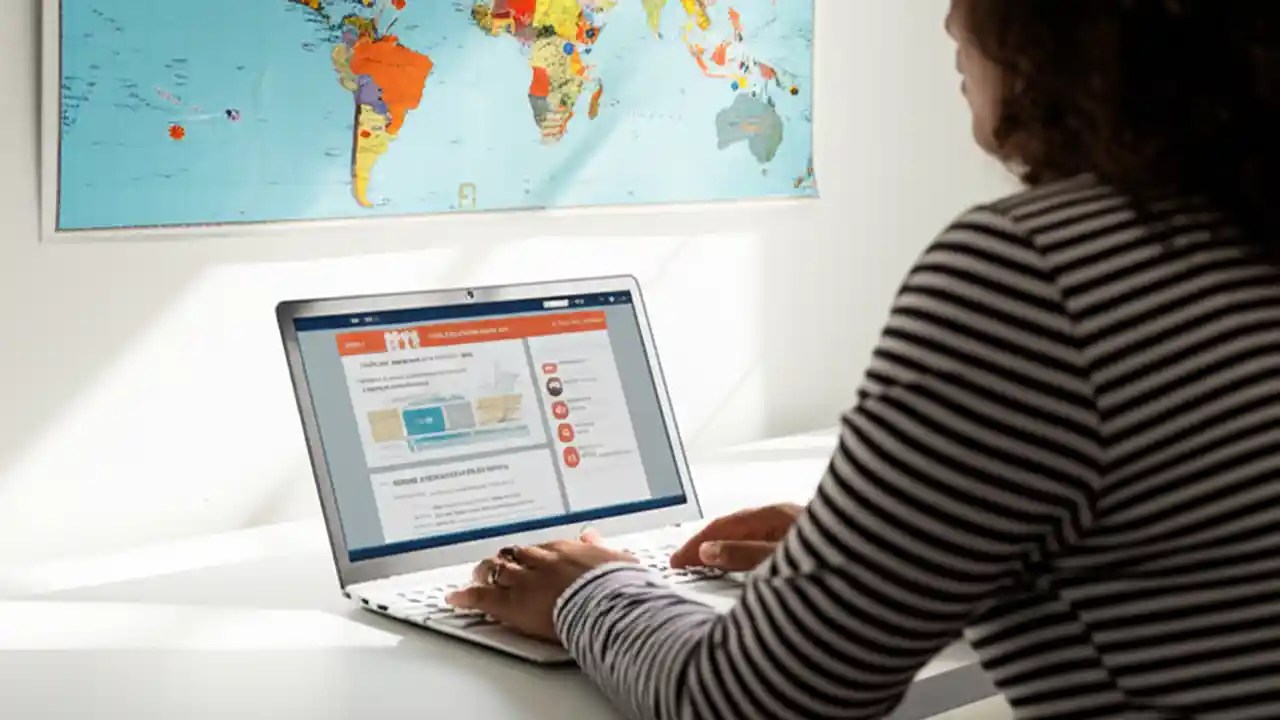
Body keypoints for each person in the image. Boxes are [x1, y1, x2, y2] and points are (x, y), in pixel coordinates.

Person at [448, 1, 1280, 717]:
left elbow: (749, 700)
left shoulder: (1038, 277)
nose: (950, 21)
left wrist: (586, 592)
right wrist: (888, 559)